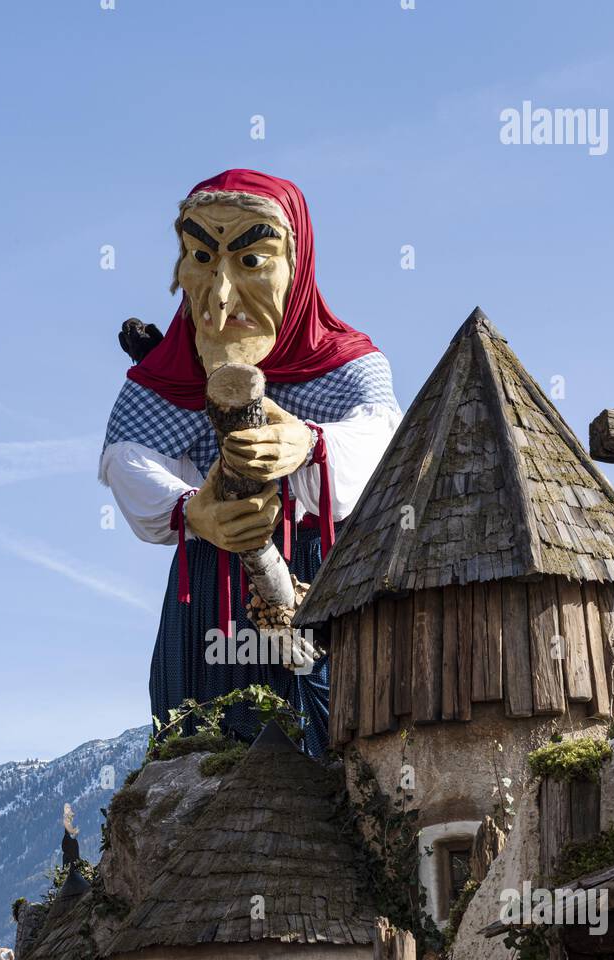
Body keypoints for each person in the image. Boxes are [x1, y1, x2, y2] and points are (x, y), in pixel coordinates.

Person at [99, 168, 401, 753]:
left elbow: (385, 444)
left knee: (333, 740)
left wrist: (312, 446)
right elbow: (127, 458)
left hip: (323, 574)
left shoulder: (348, 363)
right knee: (201, 744)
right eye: (202, 258)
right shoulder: (166, 378)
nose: (221, 295)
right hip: (207, 589)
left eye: (252, 261)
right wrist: (193, 511)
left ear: (298, 263)